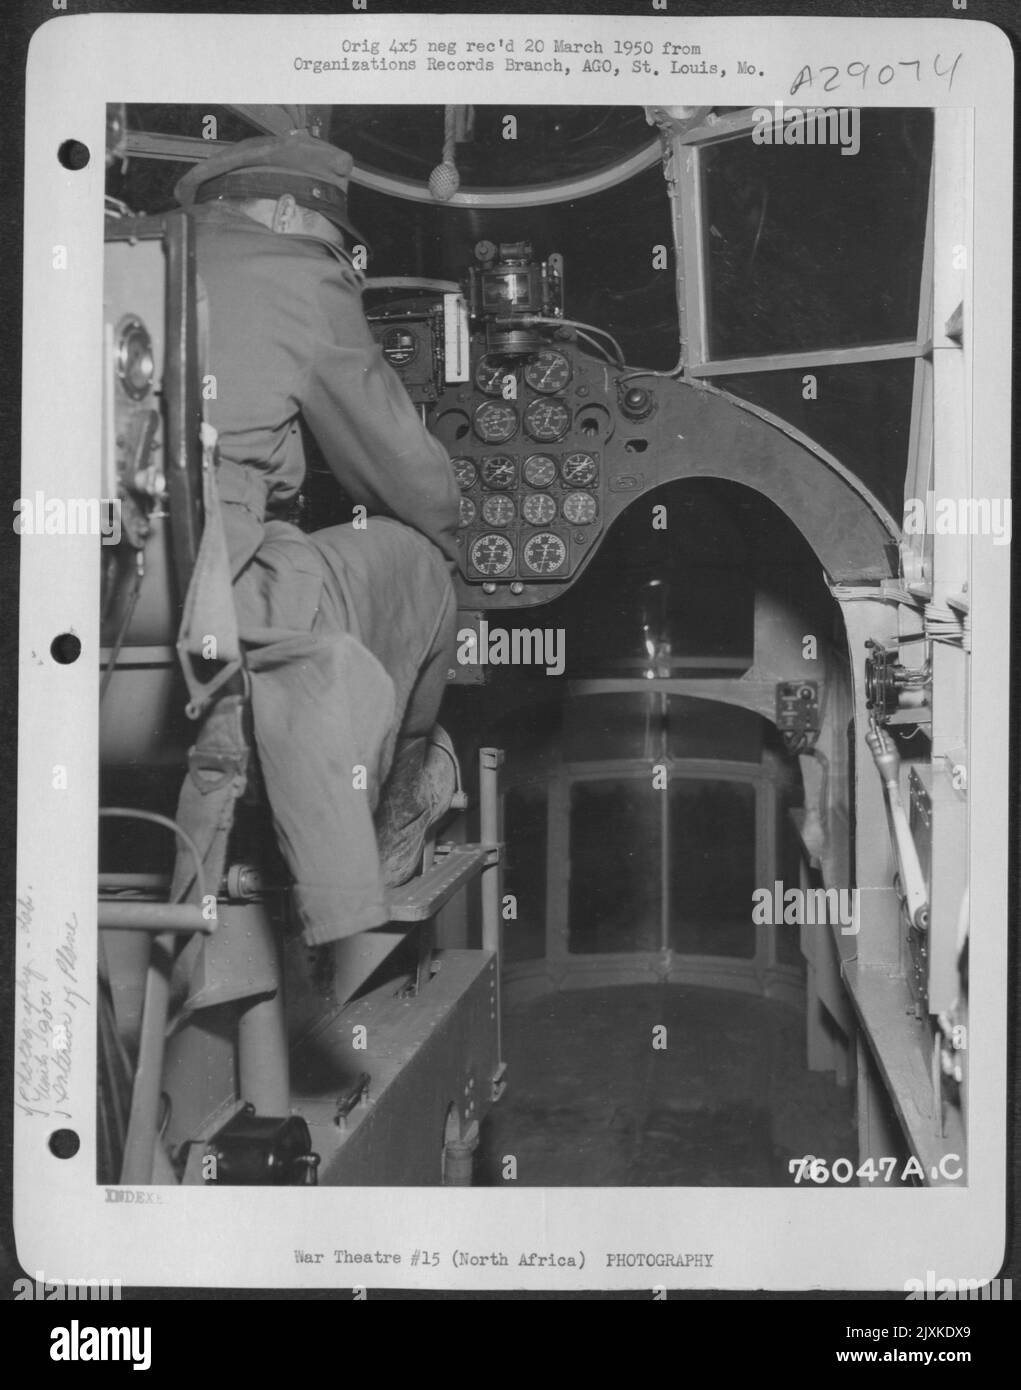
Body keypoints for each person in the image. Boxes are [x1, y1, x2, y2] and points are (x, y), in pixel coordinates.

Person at [171, 130, 462, 945]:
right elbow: (402, 469)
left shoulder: (116, 254)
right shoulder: (295, 270)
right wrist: (453, 533)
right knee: (424, 565)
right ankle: (394, 821)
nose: (340, 264)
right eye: (336, 245)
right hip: (217, 598)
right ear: (285, 214)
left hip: (106, 626)